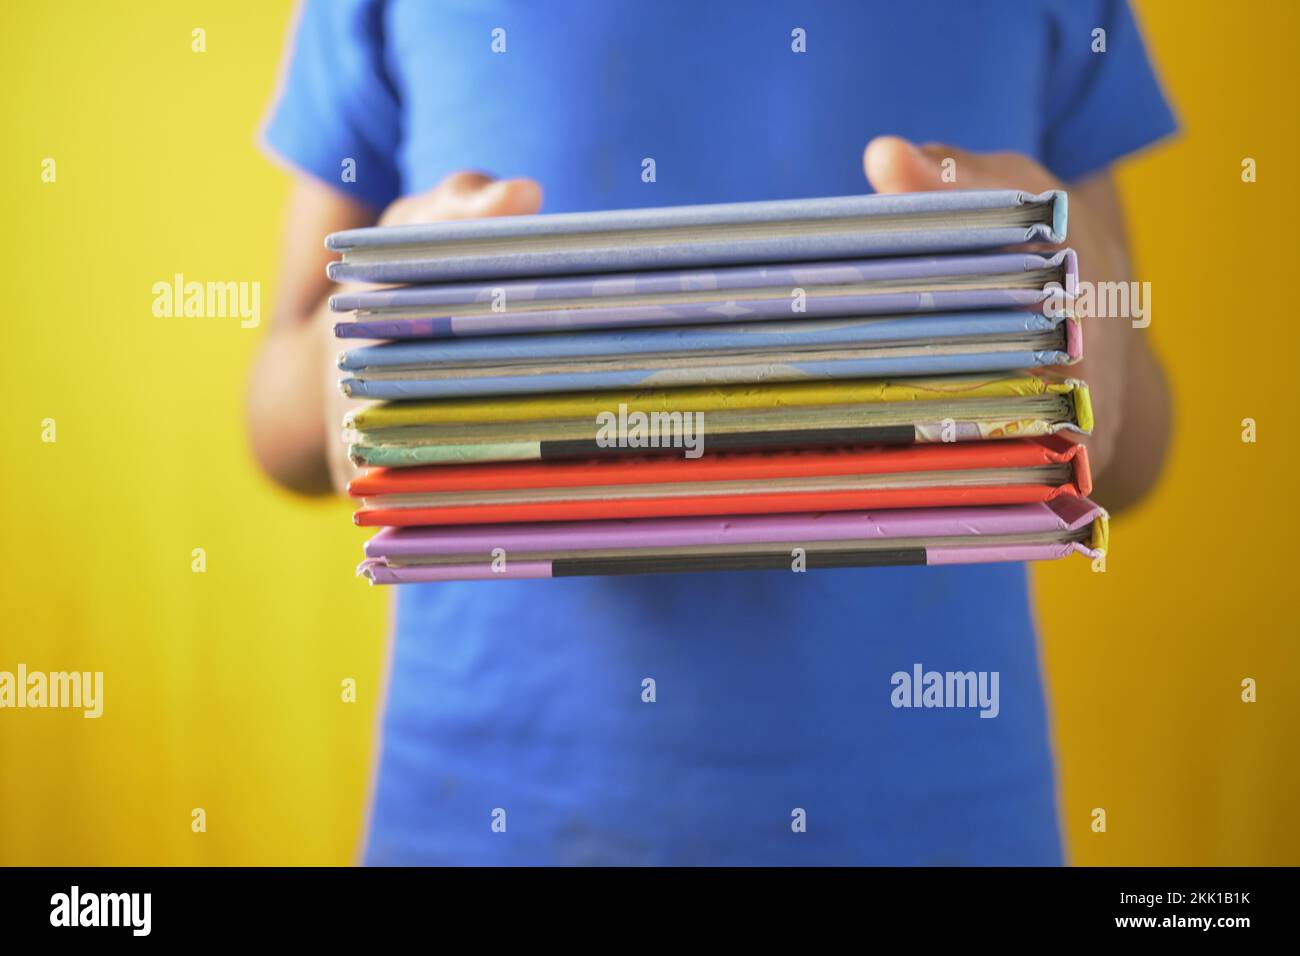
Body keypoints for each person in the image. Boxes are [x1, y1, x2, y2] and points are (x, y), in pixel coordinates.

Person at [250, 0, 1175, 865]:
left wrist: (1092, 345)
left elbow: (1132, 450)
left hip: (945, 817)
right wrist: (364, 344)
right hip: (483, 814)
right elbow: (275, 417)